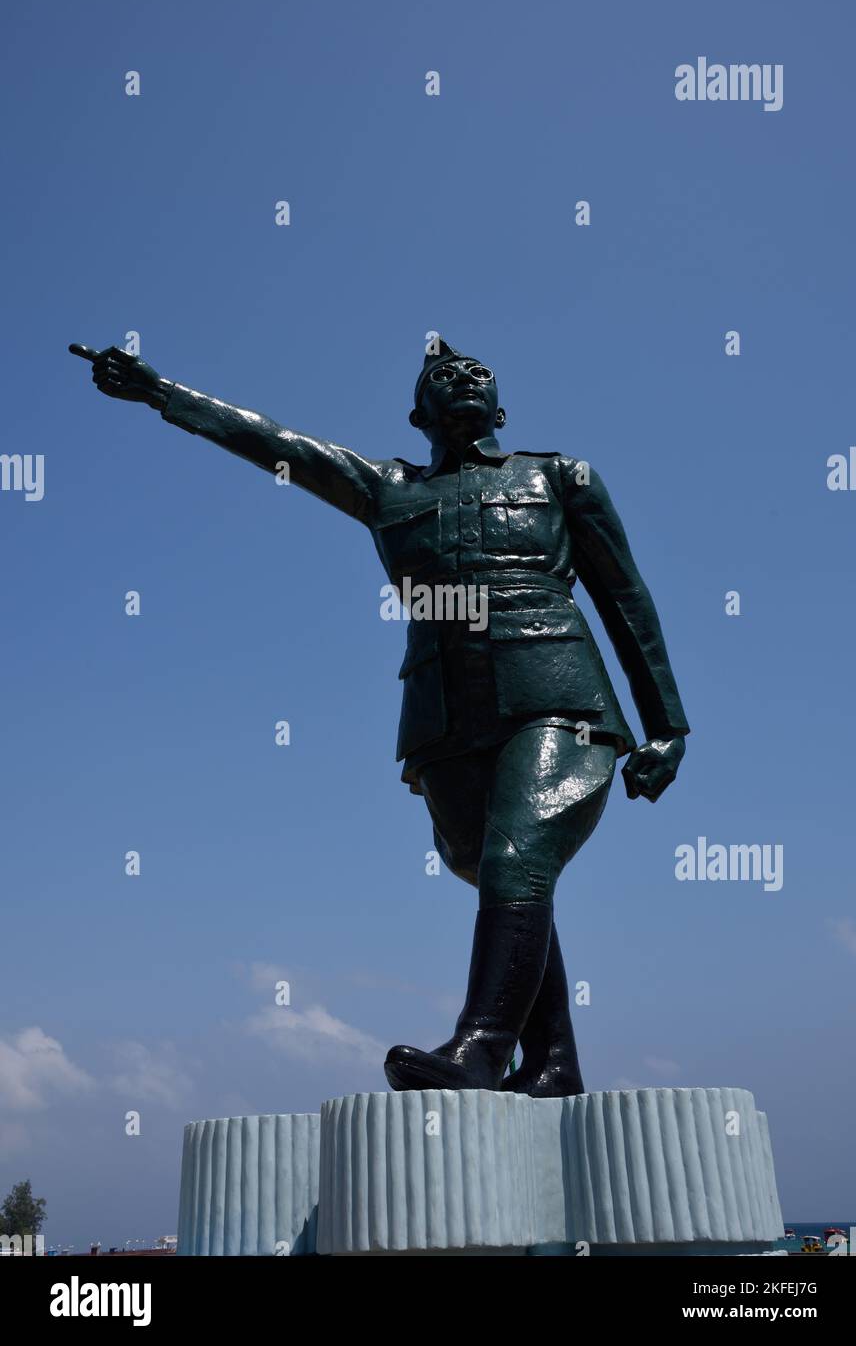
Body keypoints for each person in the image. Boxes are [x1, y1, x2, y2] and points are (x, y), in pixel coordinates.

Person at [70, 337, 689, 1096]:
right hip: (443, 716)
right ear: (415, 413)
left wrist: (666, 725)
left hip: (555, 694)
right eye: (441, 377)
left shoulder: (560, 477)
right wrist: (161, 391)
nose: (460, 377)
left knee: (512, 861)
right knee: (497, 871)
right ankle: (554, 1063)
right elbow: (273, 442)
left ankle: (482, 1046)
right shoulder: (385, 488)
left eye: (475, 374)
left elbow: (624, 599)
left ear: (498, 407)